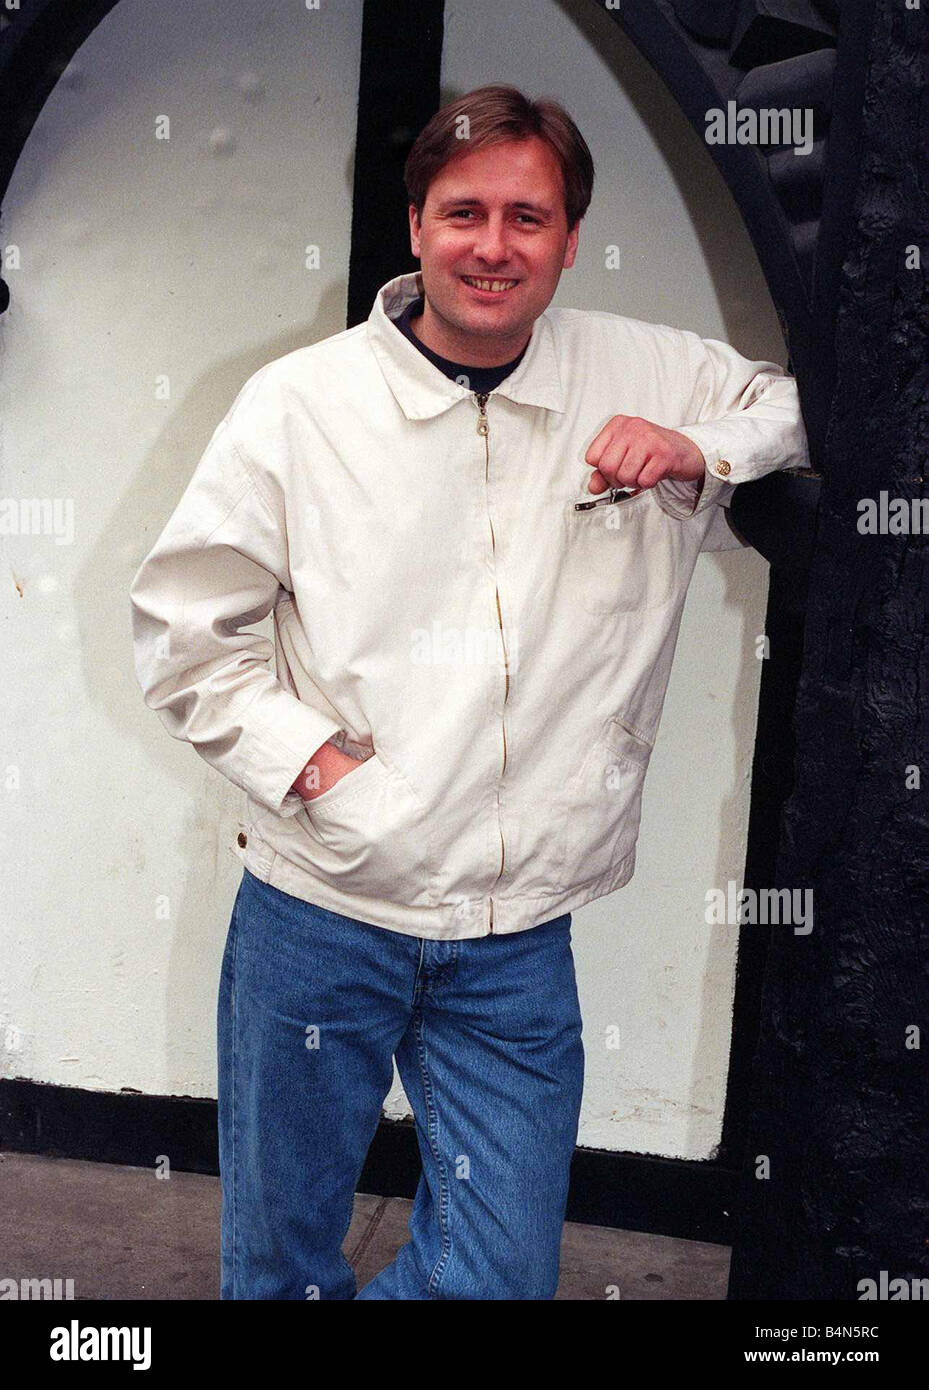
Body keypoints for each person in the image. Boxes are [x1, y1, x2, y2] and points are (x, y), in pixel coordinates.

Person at [129, 84, 809, 1300]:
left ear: (567, 234)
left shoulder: (642, 365)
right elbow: (187, 631)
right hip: (322, 905)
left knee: (494, 1275)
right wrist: (326, 776)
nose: (493, 246)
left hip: (515, 932)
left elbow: (802, 403)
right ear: (415, 226)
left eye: (527, 217)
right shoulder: (301, 406)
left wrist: (701, 452)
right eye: (463, 213)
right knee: (278, 1266)